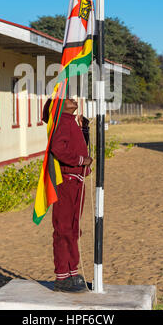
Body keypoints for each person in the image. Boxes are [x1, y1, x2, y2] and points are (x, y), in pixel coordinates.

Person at [42, 97, 93, 293]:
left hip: (76, 181)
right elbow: (58, 149)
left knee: (74, 229)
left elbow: (76, 146)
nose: (72, 99)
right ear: (59, 107)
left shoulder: (70, 121)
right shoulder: (62, 121)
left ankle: (73, 273)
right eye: (66, 99)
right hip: (67, 181)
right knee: (64, 228)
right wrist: (82, 160)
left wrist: (84, 130)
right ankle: (62, 276)